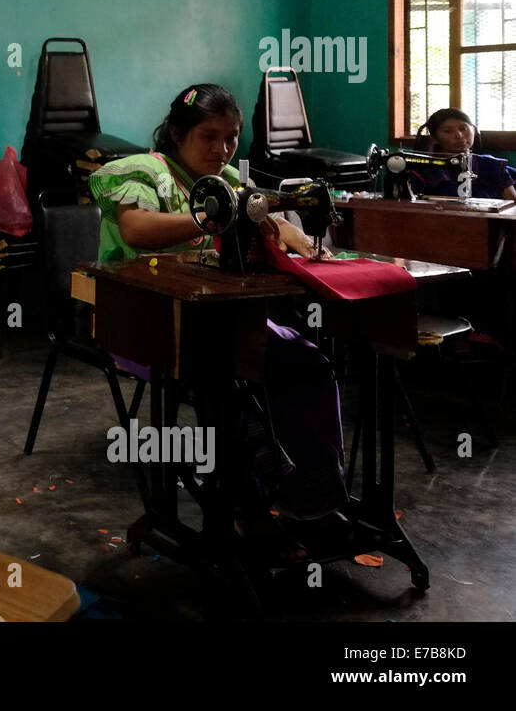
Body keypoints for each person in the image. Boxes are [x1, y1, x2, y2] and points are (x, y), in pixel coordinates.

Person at [89, 84, 348, 556]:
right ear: (177, 133)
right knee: (230, 387)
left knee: (308, 364)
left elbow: (273, 221)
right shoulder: (143, 171)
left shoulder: (228, 177)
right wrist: (213, 217)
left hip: (223, 322)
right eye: (209, 136)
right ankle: (242, 514)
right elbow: (136, 229)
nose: (222, 149)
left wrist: (301, 240)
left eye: (230, 138)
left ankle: (311, 501)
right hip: (148, 326)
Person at [411, 107, 516, 201]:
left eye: (463, 128)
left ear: (473, 130)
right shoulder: (425, 172)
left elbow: (512, 204)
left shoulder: (491, 165)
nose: (459, 135)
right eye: (448, 131)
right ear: (435, 138)